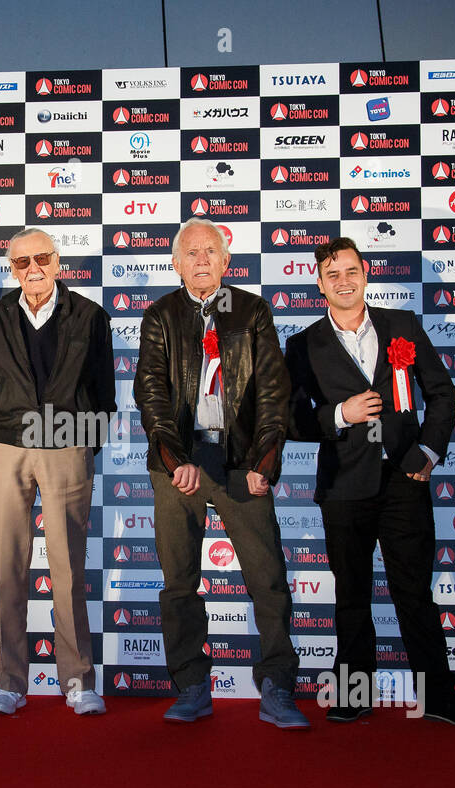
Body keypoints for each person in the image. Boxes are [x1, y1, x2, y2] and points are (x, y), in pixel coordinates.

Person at [284, 237, 455, 728]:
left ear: (366, 273)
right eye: (332, 275)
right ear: (319, 284)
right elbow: (290, 420)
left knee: (414, 593)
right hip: (343, 487)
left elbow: (441, 394)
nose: (344, 281)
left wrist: (429, 451)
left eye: (351, 271)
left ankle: (438, 696)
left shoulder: (403, 325)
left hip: (404, 480)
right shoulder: (302, 343)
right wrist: (339, 413)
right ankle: (356, 693)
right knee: (351, 596)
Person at [132, 217, 306, 728]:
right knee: (179, 584)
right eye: (192, 252)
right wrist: (173, 459)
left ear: (227, 261)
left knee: (268, 579)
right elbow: (152, 395)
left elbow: (274, 394)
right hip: (180, 465)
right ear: (176, 263)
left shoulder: (251, 310)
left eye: (211, 251)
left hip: (240, 466)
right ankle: (190, 686)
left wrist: (264, 463)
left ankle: (277, 687)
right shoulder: (160, 314)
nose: (202, 259)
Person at [0, 228, 115, 716]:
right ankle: (9, 682)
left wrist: (82, 445)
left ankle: (78, 679)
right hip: (9, 448)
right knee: (7, 568)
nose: (32, 269)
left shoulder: (91, 316)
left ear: (58, 262)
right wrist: (8, 428)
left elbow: (103, 390)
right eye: (21, 262)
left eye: (41, 258)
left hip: (68, 447)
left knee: (68, 570)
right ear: (10, 268)